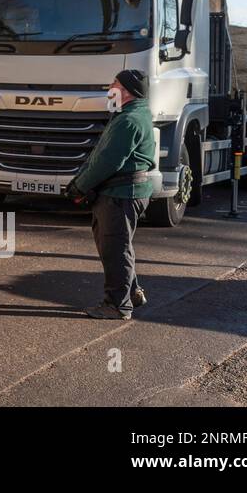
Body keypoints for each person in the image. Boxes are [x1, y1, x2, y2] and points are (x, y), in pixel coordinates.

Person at [65, 69, 158, 320]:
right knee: (117, 246)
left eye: (114, 83)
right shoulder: (128, 115)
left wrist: (80, 186)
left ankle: (118, 305)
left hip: (122, 194)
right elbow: (101, 156)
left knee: (116, 249)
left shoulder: (130, 120)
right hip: (118, 192)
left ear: (126, 91)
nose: (109, 86)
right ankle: (132, 292)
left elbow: (108, 161)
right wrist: (82, 181)